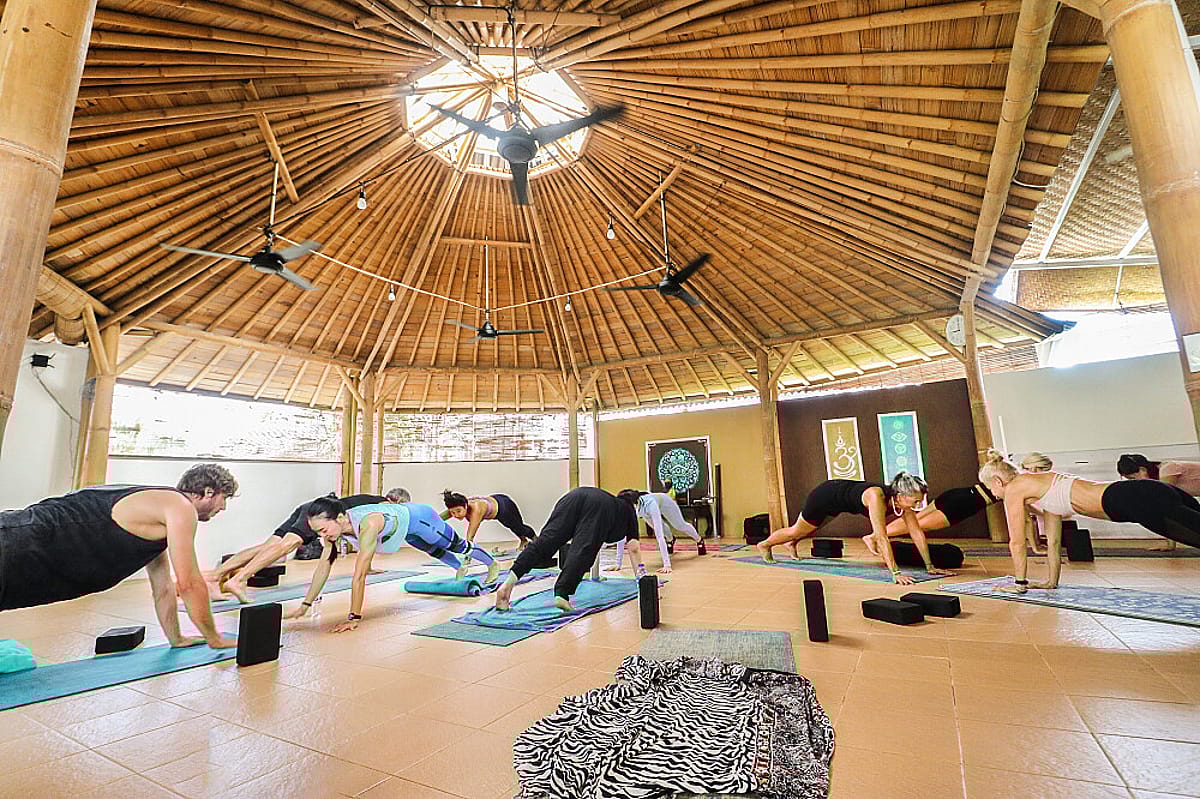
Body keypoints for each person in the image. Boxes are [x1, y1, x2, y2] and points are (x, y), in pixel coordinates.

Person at [0, 464, 239, 650]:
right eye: (224, 498)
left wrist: (177, 638)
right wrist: (214, 638)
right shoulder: (179, 506)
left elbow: (164, 588)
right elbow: (189, 584)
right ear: (208, 492)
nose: (224, 508)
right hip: (18, 542)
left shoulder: (156, 515)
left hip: (23, 550)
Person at [979, 450, 1200, 593]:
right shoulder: (1042, 488)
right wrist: (1050, 582)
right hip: (1142, 492)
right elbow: (1054, 543)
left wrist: (1019, 584)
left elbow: (1016, 542)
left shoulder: (1015, 489)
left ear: (997, 481)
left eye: (991, 488)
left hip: (1132, 499)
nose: (994, 494)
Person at [303, 498, 499, 632]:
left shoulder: (368, 525)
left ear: (339, 518)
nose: (323, 536)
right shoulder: (334, 530)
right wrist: (305, 604)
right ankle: (459, 569)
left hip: (421, 518)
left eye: (323, 529)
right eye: (318, 532)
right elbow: (323, 567)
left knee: (457, 546)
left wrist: (353, 618)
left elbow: (360, 576)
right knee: (431, 550)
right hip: (406, 527)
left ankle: (492, 564)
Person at [755, 473, 950, 585]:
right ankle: (766, 544)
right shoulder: (877, 497)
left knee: (811, 530)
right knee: (798, 529)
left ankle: (792, 544)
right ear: (900, 495)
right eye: (915, 499)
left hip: (842, 501)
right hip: (826, 496)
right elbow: (882, 537)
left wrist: (929, 566)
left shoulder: (903, 505)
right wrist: (896, 573)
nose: (919, 503)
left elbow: (917, 533)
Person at [210, 491, 393, 603]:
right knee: (288, 545)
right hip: (320, 515)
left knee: (271, 546)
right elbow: (369, 537)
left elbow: (365, 542)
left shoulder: (371, 503)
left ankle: (216, 575)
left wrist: (367, 567)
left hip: (310, 508)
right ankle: (239, 579)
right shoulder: (388, 507)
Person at [494, 487, 647, 612]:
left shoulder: (612, 502)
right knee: (583, 551)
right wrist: (642, 582)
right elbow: (633, 549)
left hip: (574, 495)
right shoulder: (628, 509)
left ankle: (507, 584)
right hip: (597, 506)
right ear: (635, 503)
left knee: (546, 541)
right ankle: (561, 595)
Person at [871, 481, 999, 548]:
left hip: (956, 494)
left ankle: (873, 535)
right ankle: (875, 536)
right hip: (963, 504)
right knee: (918, 524)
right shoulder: (1013, 482)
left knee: (916, 519)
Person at [609, 490, 706, 574]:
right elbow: (621, 535)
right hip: (645, 511)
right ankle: (671, 539)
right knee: (662, 529)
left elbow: (659, 535)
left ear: (635, 504)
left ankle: (699, 540)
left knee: (679, 525)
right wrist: (618, 564)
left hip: (665, 503)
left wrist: (667, 565)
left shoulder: (650, 504)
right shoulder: (626, 508)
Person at [1117, 454, 1200, 551]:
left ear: (1142, 470)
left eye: (1133, 478)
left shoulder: (1168, 470)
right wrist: (1170, 545)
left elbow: (1167, 506)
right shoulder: (1159, 477)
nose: (1134, 482)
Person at [440, 490, 536, 550]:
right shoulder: (458, 505)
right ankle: (524, 541)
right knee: (511, 526)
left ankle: (537, 540)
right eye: (453, 513)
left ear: (465, 506)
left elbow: (471, 535)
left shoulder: (476, 510)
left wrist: (467, 554)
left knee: (518, 527)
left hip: (504, 506)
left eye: (458, 511)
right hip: (495, 499)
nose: (456, 515)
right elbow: (440, 517)